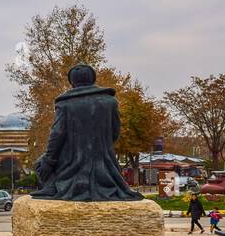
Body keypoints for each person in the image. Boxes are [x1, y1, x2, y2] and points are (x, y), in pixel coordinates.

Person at [31, 64, 142, 202]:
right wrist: (102, 146)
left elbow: (57, 134)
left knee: (39, 163)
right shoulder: (110, 101)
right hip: (104, 159)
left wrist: (49, 161)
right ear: (93, 79)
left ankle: (53, 187)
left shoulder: (65, 104)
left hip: (71, 160)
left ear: (72, 82)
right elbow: (115, 132)